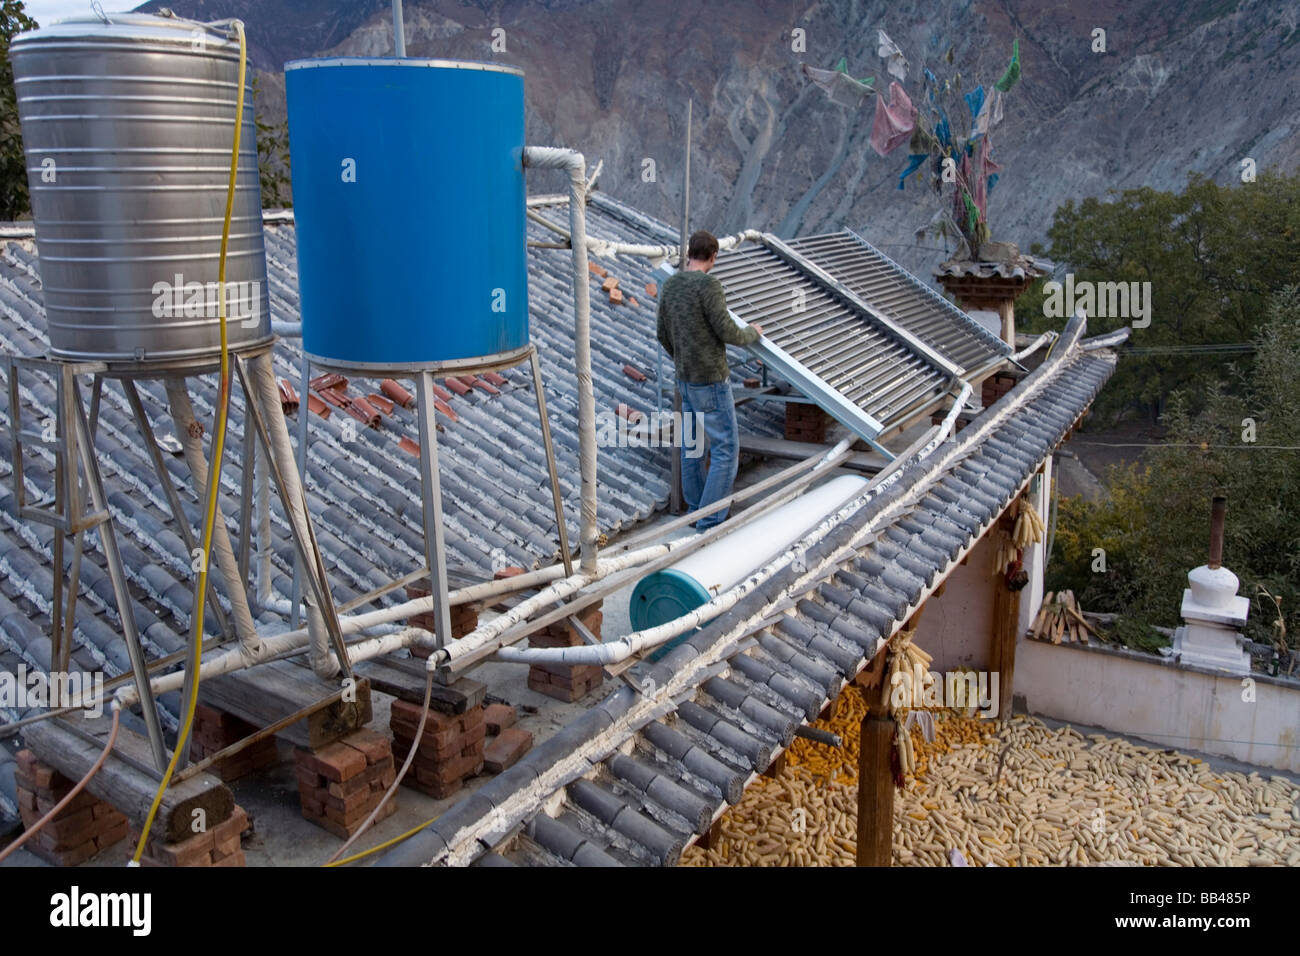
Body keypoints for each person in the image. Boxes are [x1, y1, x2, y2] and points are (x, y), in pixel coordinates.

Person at [656, 230, 763, 531]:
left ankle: (696, 512)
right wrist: (753, 332)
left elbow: (662, 333)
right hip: (711, 381)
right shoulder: (709, 285)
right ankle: (710, 519)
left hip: (685, 380)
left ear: (690, 253)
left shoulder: (672, 285)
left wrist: (682, 358)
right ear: (713, 257)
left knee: (693, 446)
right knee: (726, 448)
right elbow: (728, 331)